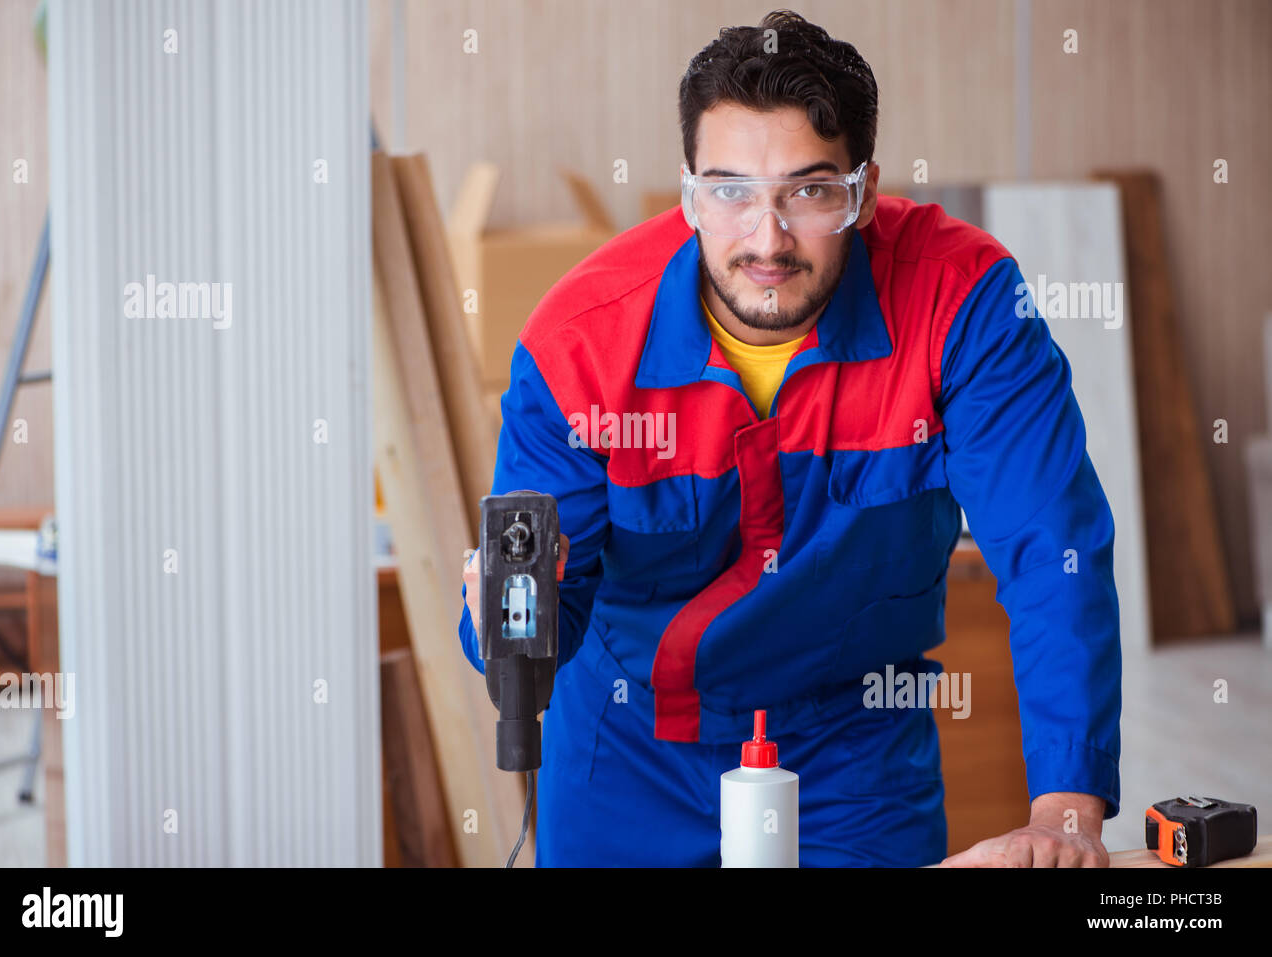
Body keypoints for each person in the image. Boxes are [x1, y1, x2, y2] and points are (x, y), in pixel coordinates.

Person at [458, 8, 1120, 867]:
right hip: (626, 752)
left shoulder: (963, 305)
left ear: (865, 190)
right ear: (691, 191)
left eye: (809, 192)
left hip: (852, 750)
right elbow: (546, 607)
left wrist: (1066, 809)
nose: (766, 240)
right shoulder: (578, 346)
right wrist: (502, 630)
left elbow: (1051, 549)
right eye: (731, 191)